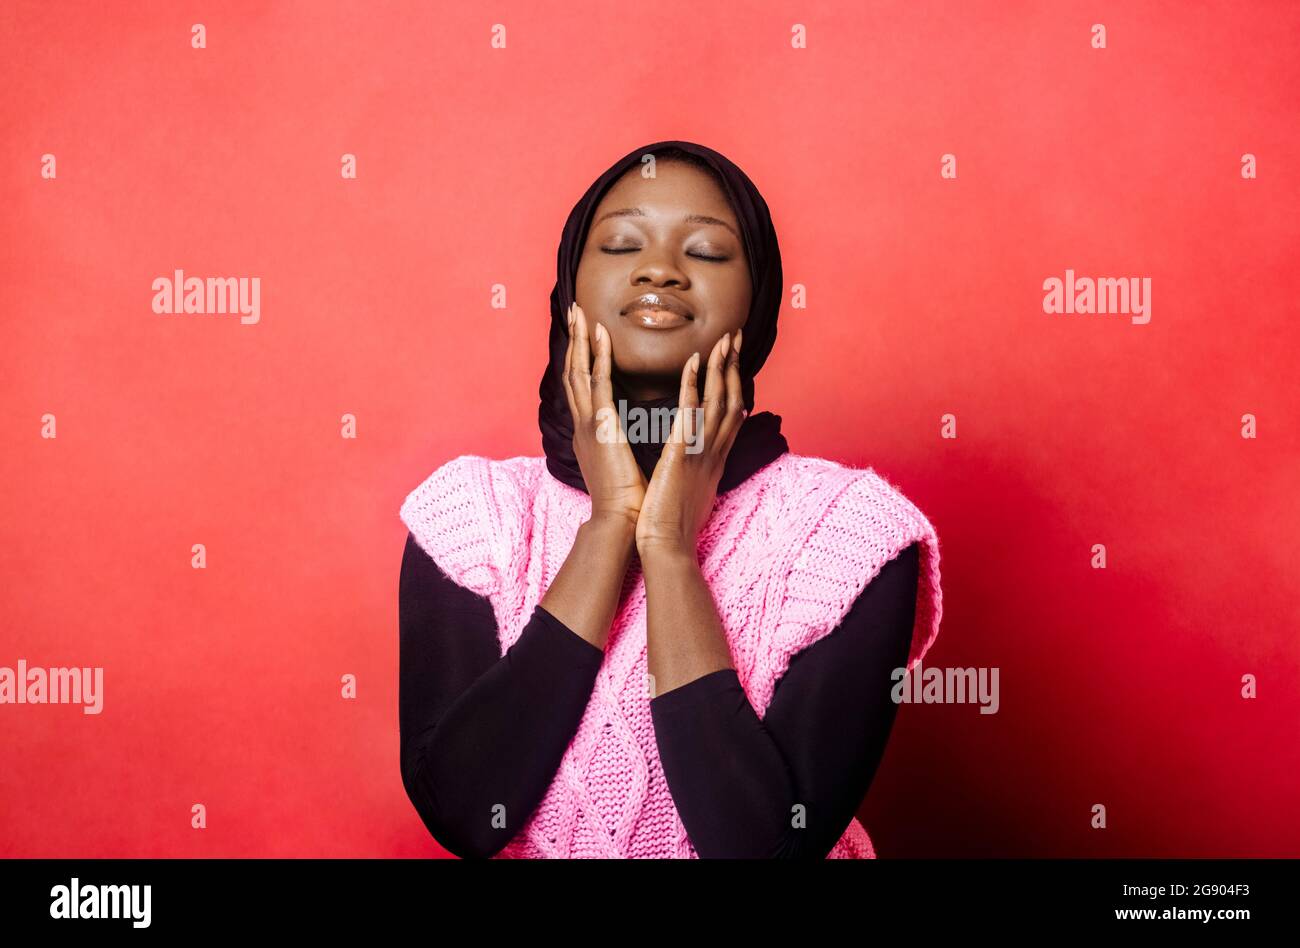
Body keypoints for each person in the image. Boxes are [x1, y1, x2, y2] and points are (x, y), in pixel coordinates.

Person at [398, 140, 943, 858]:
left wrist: (670, 551)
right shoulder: (472, 515)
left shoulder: (851, 536)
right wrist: (609, 526)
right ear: (569, 292)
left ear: (761, 303)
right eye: (623, 244)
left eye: (710, 253)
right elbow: (468, 813)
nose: (660, 270)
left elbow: (761, 847)